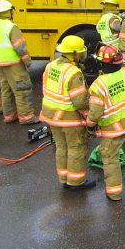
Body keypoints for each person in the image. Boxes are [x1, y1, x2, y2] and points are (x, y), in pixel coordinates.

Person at [86, 44, 125, 202]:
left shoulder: (98, 85)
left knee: (110, 159)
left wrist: (89, 125)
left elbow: (95, 113)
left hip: (112, 131)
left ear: (100, 64)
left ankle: (114, 193)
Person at [39, 35, 95, 191]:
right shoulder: (73, 73)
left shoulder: (51, 65)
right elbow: (80, 102)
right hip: (69, 119)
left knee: (61, 147)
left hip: (51, 116)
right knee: (76, 148)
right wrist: (90, 118)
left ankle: (64, 179)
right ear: (75, 53)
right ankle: (76, 182)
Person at [0, 0, 38, 124]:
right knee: (22, 90)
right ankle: (27, 117)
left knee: (6, 90)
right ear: (9, 12)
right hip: (14, 64)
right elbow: (20, 47)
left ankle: (9, 115)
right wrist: (27, 61)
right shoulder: (11, 27)